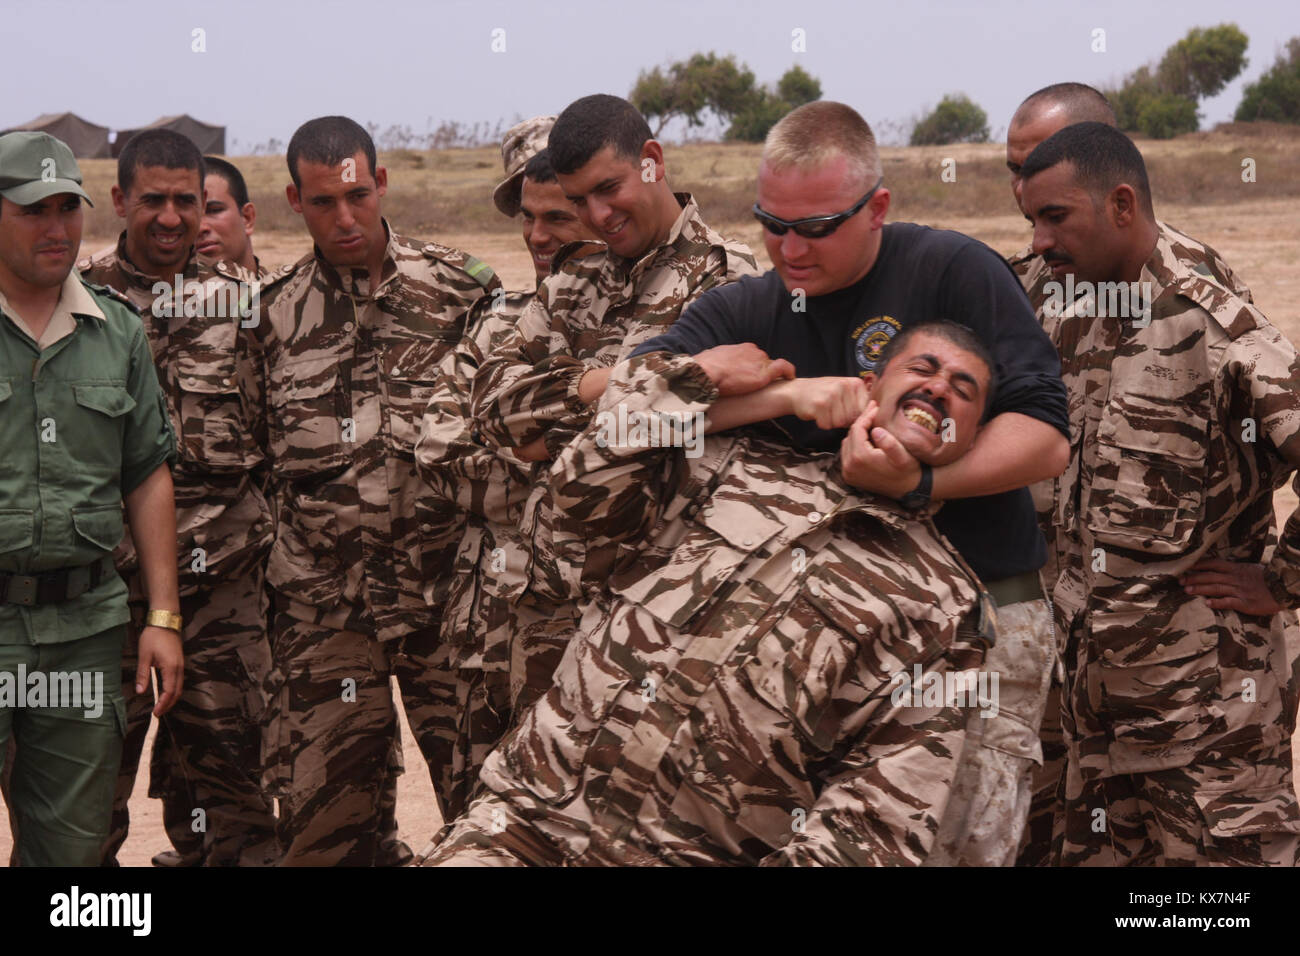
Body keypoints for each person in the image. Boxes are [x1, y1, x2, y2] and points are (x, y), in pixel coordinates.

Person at [626, 100, 1067, 864]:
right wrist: (781, 396)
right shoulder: (753, 303)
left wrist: (922, 484)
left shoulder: (953, 269)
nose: (790, 248)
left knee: (956, 847)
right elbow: (623, 401)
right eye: (771, 223)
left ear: (878, 208)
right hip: (826, 641)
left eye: (817, 227)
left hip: (979, 623)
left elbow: (1045, 438)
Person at [425, 322, 1000, 865]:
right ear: (871, 384)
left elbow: (874, 821)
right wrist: (740, 389)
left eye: (963, 390)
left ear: (973, 437)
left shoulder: (943, 605)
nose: (939, 387)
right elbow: (577, 494)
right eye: (923, 368)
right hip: (525, 820)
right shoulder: (728, 463)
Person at [1019, 121, 1300, 865]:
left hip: (1203, 721)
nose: (1040, 241)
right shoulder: (1053, 298)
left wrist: (1282, 581)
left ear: (1120, 205)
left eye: (1055, 218)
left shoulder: (1206, 317)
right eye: (1030, 222)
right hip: (1088, 709)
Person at [238, 115, 500, 865]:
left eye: (357, 195)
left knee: (488, 816)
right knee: (325, 831)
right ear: (294, 200)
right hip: (325, 616)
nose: (345, 218)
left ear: (380, 182)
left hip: (446, 606)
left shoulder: (463, 291)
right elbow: (261, 454)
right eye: (323, 203)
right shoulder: (271, 317)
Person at [469, 93, 758, 718]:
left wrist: (556, 422)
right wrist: (625, 383)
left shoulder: (730, 281)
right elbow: (495, 410)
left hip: (658, 614)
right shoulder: (574, 279)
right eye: (578, 201)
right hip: (544, 604)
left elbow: (693, 431)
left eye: (608, 189)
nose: (597, 215)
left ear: (652, 161)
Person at [79, 129, 279, 868]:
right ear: (121, 199)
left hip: (224, 598)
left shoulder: (252, 309)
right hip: (102, 602)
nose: (170, 218)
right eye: (153, 200)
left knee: (241, 802)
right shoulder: (77, 304)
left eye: (186, 202)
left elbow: (282, 449)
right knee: (83, 808)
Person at [0, 130, 182, 866]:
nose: (57, 229)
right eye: (33, 210)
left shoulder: (118, 332)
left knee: (70, 856)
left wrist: (163, 616)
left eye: (67, 209)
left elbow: (147, 473)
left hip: (82, 628)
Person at [413, 117, 596, 834]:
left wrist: (521, 439)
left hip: (603, 636)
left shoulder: (653, 321)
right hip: (493, 641)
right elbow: (440, 455)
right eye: (529, 216)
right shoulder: (497, 325)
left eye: (561, 214)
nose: (540, 235)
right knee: (485, 822)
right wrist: (577, 457)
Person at [196, 155, 266, 277]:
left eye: (214, 211)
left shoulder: (292, 293)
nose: (201, 228)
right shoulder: (164, 294)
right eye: (193, 217)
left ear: (247, 218)